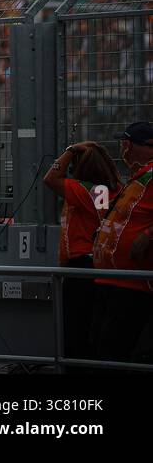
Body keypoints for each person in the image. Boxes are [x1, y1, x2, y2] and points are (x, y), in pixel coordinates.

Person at [43, 141, 123, 370]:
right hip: (102, 267)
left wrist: (69, 151)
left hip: (80, 269)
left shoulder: (82, 190)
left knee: (75, 333)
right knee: (94, 331)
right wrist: (99, 154)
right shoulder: (115, 189)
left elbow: (49, 179)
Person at [91, 121, 153, 366]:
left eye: (127, 142)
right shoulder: (136, 178)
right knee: (101, 347)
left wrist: (149, 234)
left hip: (132, 284)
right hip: (109, 279)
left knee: (113, 351)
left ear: (145, 147)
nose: (122, 147)